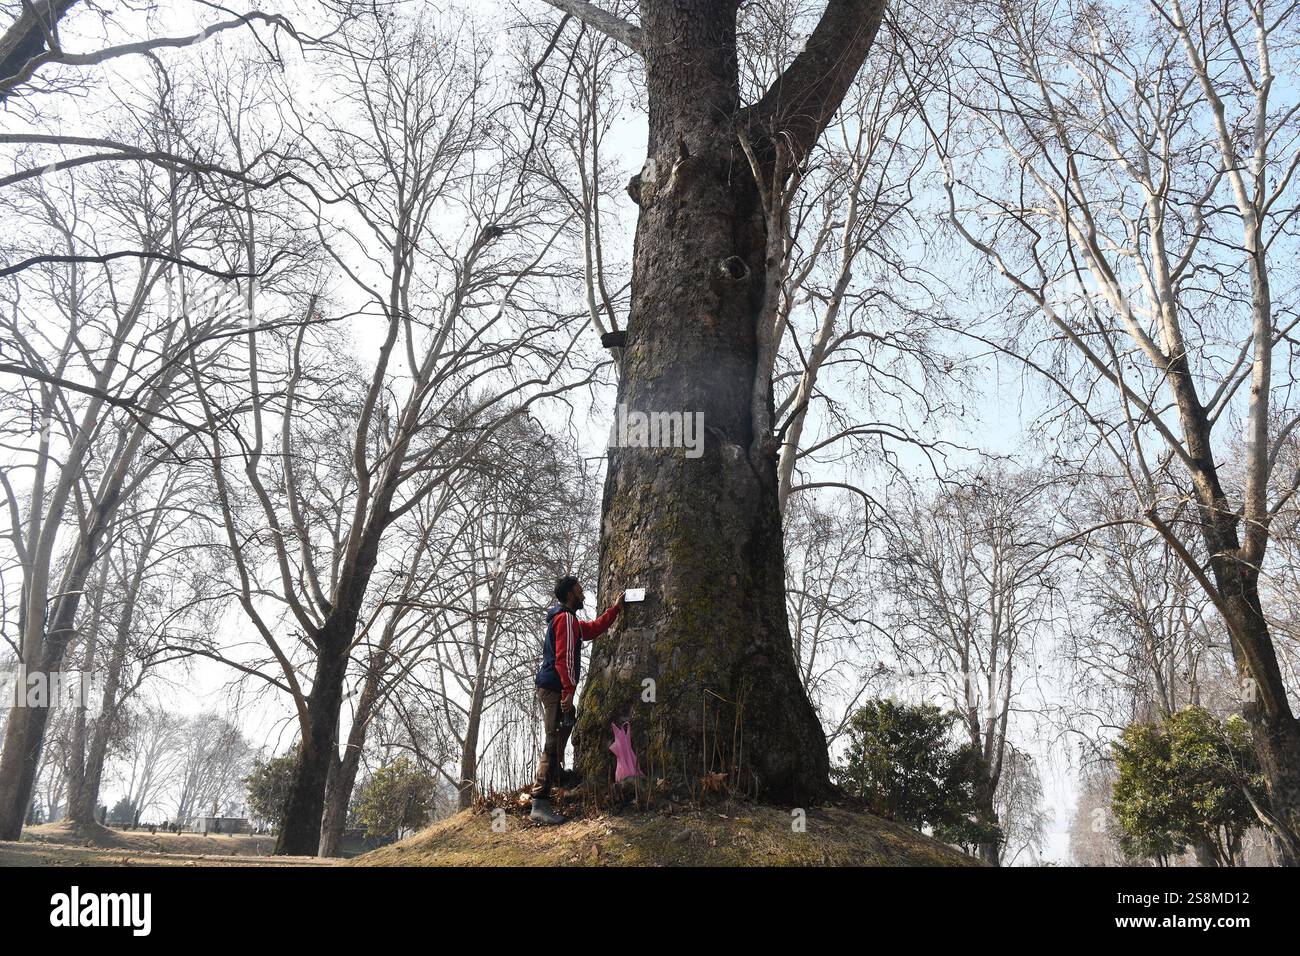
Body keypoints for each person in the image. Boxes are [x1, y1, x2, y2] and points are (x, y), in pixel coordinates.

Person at [530, 575, 624, 824]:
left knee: (567, 724)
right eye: (580, 590)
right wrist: (568, 692)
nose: (583, 593)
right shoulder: (565, 619)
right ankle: (539, 803)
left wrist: (615, 609)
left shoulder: (569, 621)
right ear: (571, 594)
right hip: (555, 688)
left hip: (554, 687)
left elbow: (592, 629)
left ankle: (558, 777)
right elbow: (564, 658)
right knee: (552, 742)